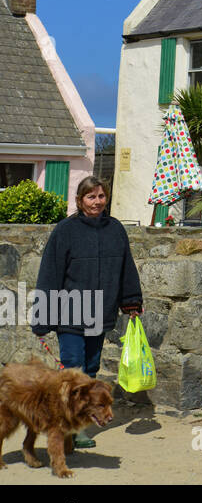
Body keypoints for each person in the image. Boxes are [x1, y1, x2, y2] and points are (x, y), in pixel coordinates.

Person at [31, 176, 142, 448]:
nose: (97, 202)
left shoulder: (116, 230)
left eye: (101, 196)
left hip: (100, 313)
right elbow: (50, 273)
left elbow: (126, 268)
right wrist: (43, 316)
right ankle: (71, 429)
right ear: (80, 201)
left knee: (91, 369)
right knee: (74, 370)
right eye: (91, 197)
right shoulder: (65, 231)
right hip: (69, 313)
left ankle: (77, 422)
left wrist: (130, 302)